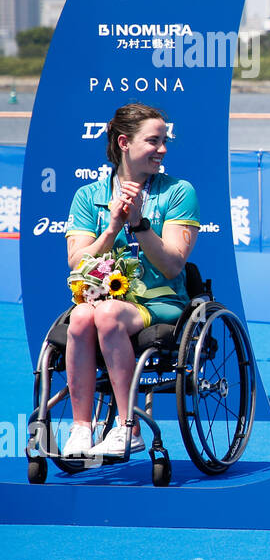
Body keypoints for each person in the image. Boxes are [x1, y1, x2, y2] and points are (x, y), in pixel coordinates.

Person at [60, 103, 201, 460]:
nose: (163, 149)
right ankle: (81, 428)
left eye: (164, 141)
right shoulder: (88, 197)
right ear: (124, 142)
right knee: (79, 317)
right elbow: (77, 263)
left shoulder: (179, 192)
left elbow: (172, 266)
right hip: (102, 298)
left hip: (161, 301)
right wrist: (112, 228)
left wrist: (140, 223)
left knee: (106, 315)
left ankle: (128, 427)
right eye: (153, 141)